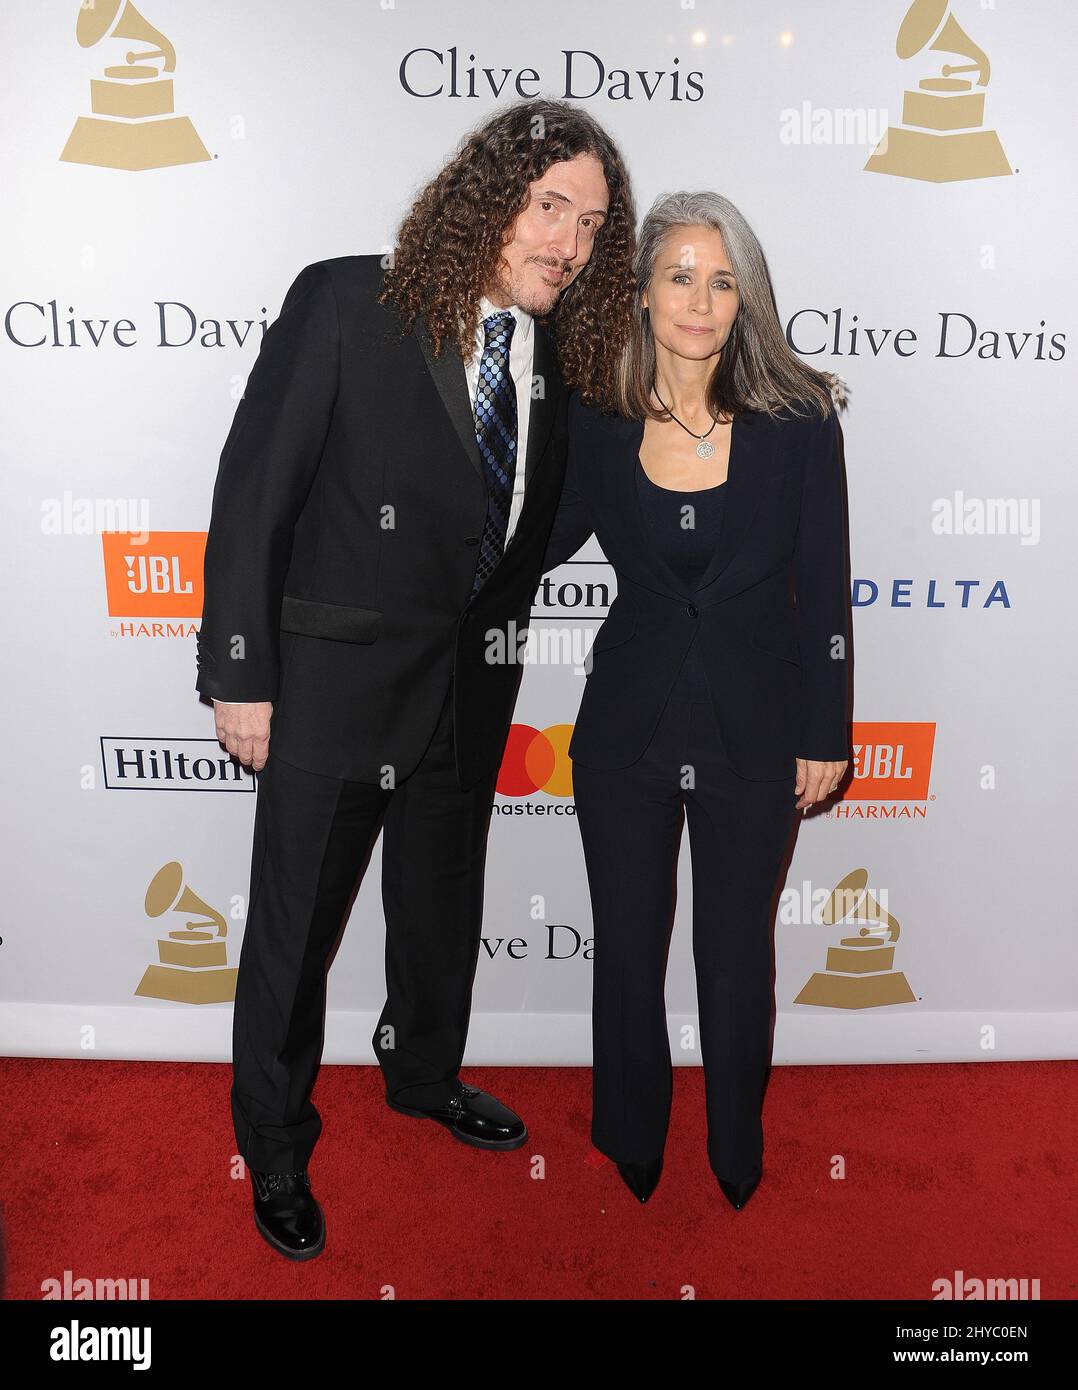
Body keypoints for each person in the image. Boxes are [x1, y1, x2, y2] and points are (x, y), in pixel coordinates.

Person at [195, 98, 637, 1259]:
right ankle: (276, 1143)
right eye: (549, 207)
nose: (568, 244)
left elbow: (530, 530)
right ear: (486, 195)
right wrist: (242, 674)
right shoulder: (349, 302)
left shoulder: (564, 361)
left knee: (441, 908)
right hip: (331, 688)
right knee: (296, 932)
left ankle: (424, 1072)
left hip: (469, 687)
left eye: (591, 225)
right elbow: (255, 496)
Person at [540, 190, 851, 1211]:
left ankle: (733, 1142)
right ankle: (631, 1133)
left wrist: (824, 730)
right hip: (626, 727)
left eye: (722, 280)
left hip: (757, 731)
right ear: (639, 293)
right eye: (679, 274)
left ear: (745, 299)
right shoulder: (596, 416)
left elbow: (825, 588)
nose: (700, 299)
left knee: (733, 949)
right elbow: (526, 546)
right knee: (626, 948)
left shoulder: (797, 422)